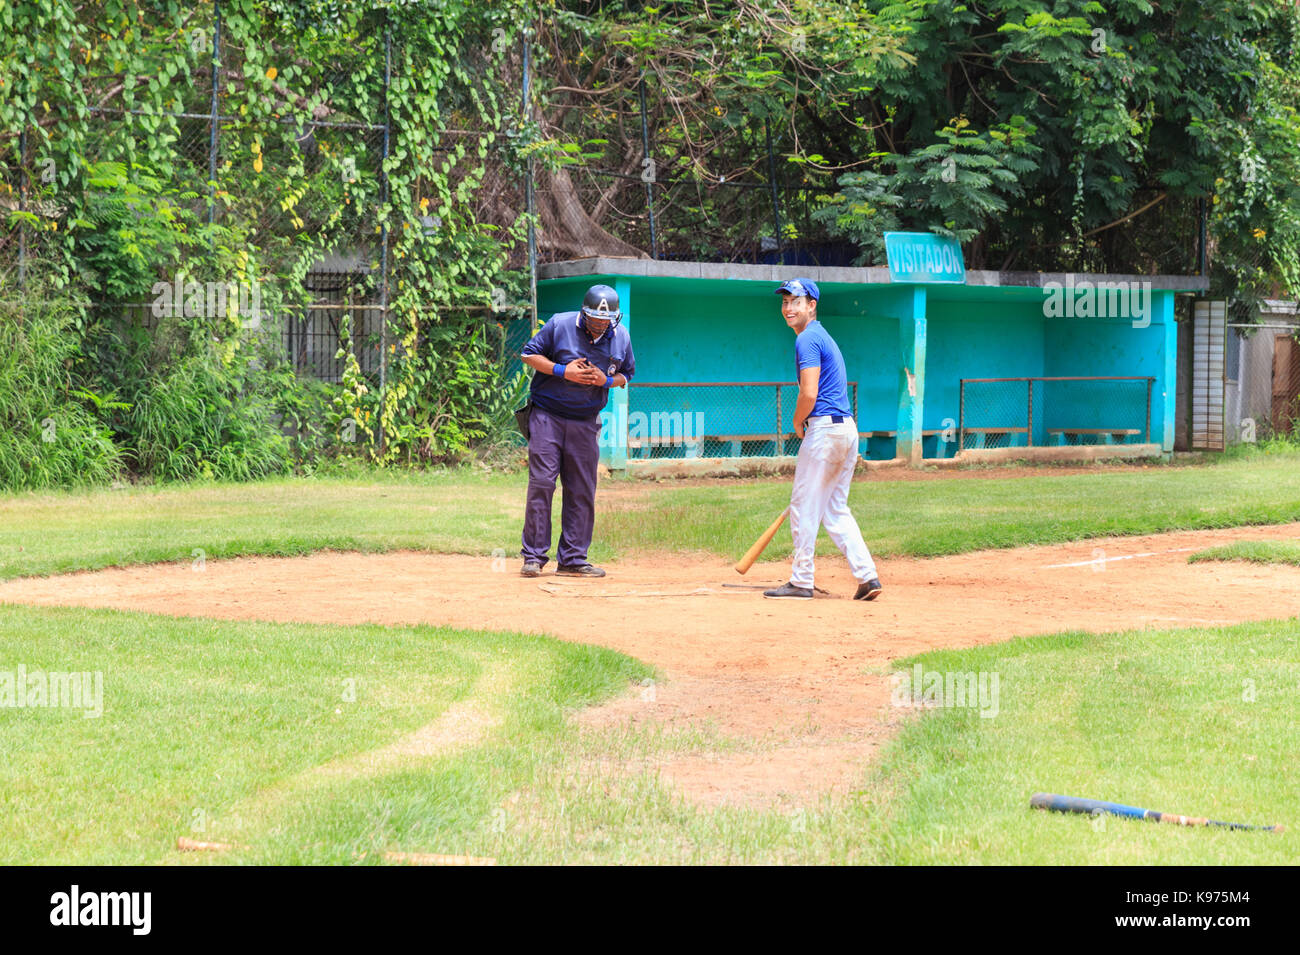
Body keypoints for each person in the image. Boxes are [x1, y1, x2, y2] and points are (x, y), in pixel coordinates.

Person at [764, 278, 883, 601]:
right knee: (834, 509)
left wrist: (796, 419)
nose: (789, 308)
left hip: (825, 430)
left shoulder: (807, 339)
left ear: (812, 305)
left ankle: (801, 580)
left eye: (796, 301)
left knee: (803, 505)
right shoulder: (820, 336)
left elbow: (809, 392)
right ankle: (867, 576)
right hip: (845, 429)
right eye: (785, 302)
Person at [517, 284, 635, 578]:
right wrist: (563, 370)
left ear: (615, 318)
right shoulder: (560, 324)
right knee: (542, 483)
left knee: (582, 489)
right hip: (547, 416)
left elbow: (626, 375)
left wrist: (604, 381)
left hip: (585, 421)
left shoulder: (621, 337)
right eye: (594, 320)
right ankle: (533, 557)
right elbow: (528, 355)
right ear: (584, 312)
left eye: (605, 321)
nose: (599, 326)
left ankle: (572, 560)